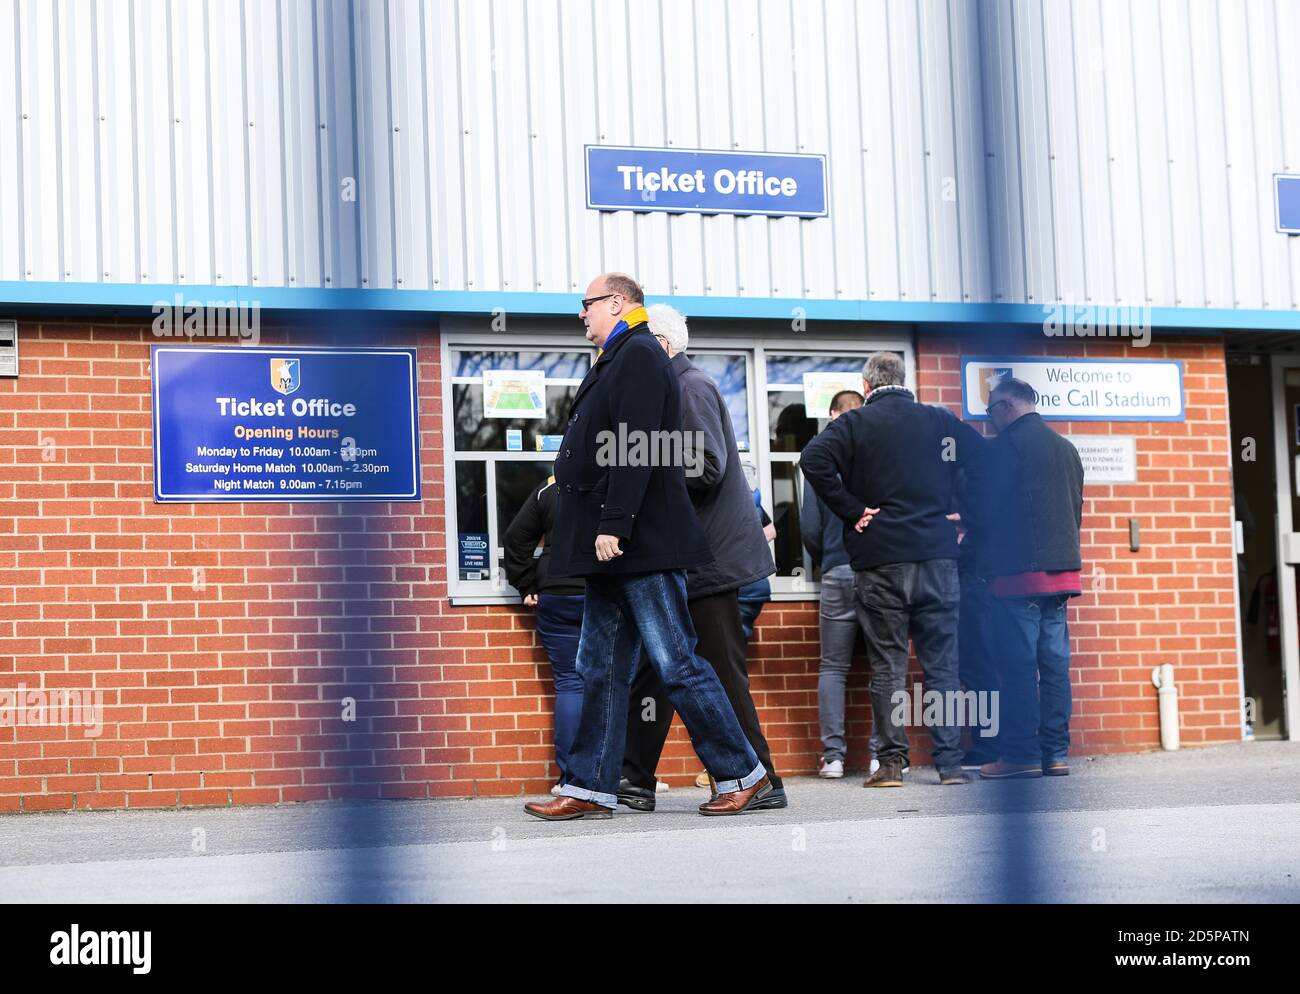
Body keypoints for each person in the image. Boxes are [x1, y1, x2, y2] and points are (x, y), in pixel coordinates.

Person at [523, 273, 771, 821]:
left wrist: (616, 524)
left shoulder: (636, 353)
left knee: (676, 660)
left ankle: (743, 774)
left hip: (637, 543)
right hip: (611, 547)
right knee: (598, 667)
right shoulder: (619, 355)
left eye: (586, 305)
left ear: (617, 303)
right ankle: (588, 788)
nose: (581, 315)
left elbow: (636, 447)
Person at [617, 304, 783, 812]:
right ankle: (634, 778)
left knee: (718, 673)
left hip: (709, 563)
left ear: (663, 346)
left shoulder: (687, 388)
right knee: (656, 670)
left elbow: (705, 466)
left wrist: (638, 471)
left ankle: (763, 781)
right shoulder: (676, 387)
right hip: (687, 560)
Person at [800, 352, 988, 787]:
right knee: (942, 668)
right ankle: (950, 765)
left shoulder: (853, 424)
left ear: (867, 387)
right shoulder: (938, 421)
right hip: (937, 557)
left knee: (888, 666)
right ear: (903, 380)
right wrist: (964, 515)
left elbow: (812, 459)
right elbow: (984, 460)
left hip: (880, 559)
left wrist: (852, 510)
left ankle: (890, 765)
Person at [975, 377, 1084, 780]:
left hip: (1019, 576)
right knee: (1055, 667)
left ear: (1006, 407)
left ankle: (1019, 755)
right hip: (1062, 575)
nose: (990, 421)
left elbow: (988, 514)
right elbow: (1076, 509)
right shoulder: (1066, 447)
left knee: (1018, 668)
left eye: (990, 411)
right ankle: (1055, 754)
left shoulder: (1004, 450)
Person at [801, 388, 893, 779]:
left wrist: (827, 560)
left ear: (834, 414)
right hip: (877, 569)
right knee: (883, 665)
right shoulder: (882, 456)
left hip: (838, 571)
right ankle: (880, 755)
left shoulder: (823, 455)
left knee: (833, 667)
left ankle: (834, 758)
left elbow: (808, 528)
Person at [502, 475, 585, 795]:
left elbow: (515, 537)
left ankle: (571, 780)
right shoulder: (616, 481)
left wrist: (526, 583)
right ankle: (612, 776)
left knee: (569, 683)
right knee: (611, 685)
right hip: (603, 593)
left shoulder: (550, 487)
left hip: (557, 591)